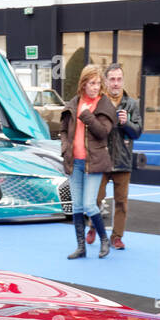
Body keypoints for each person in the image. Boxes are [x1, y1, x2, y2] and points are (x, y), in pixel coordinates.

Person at [58, 65, 115, 260]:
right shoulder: (73, 103)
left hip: (95, 163)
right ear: (83, 84)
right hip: (75, 162)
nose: (95, 87)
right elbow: (63, 129)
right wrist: (65, 147)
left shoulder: (105, 105)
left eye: (98, 83)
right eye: (92, 83)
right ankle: (81, 247)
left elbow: (103, 133)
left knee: (90, 205)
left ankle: (104, 240)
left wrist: (86, 115)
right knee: (77, 206)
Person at [85, 62, 142, 251]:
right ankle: (92, 227)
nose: (116, 83)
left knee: (121, 203)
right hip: (101, 160)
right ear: (106, 81)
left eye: (119, 79)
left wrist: (126, 124)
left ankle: (117, 237)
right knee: (95, 199)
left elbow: (137, 132)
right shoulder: (98, 102)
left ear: (123, 81)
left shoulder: (132, 104)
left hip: (123, 162)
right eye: (112, 79)